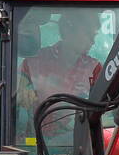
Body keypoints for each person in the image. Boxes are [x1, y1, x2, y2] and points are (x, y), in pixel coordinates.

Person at [18, 8, 105, 139]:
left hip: (79, 143)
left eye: (94, 35)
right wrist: (24, 95)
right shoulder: (32, 63)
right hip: (36, 141)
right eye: (88, 34)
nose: (92, 41)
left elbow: (105, 112)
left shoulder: (95, 69)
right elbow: (16, 99)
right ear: (68, 30)